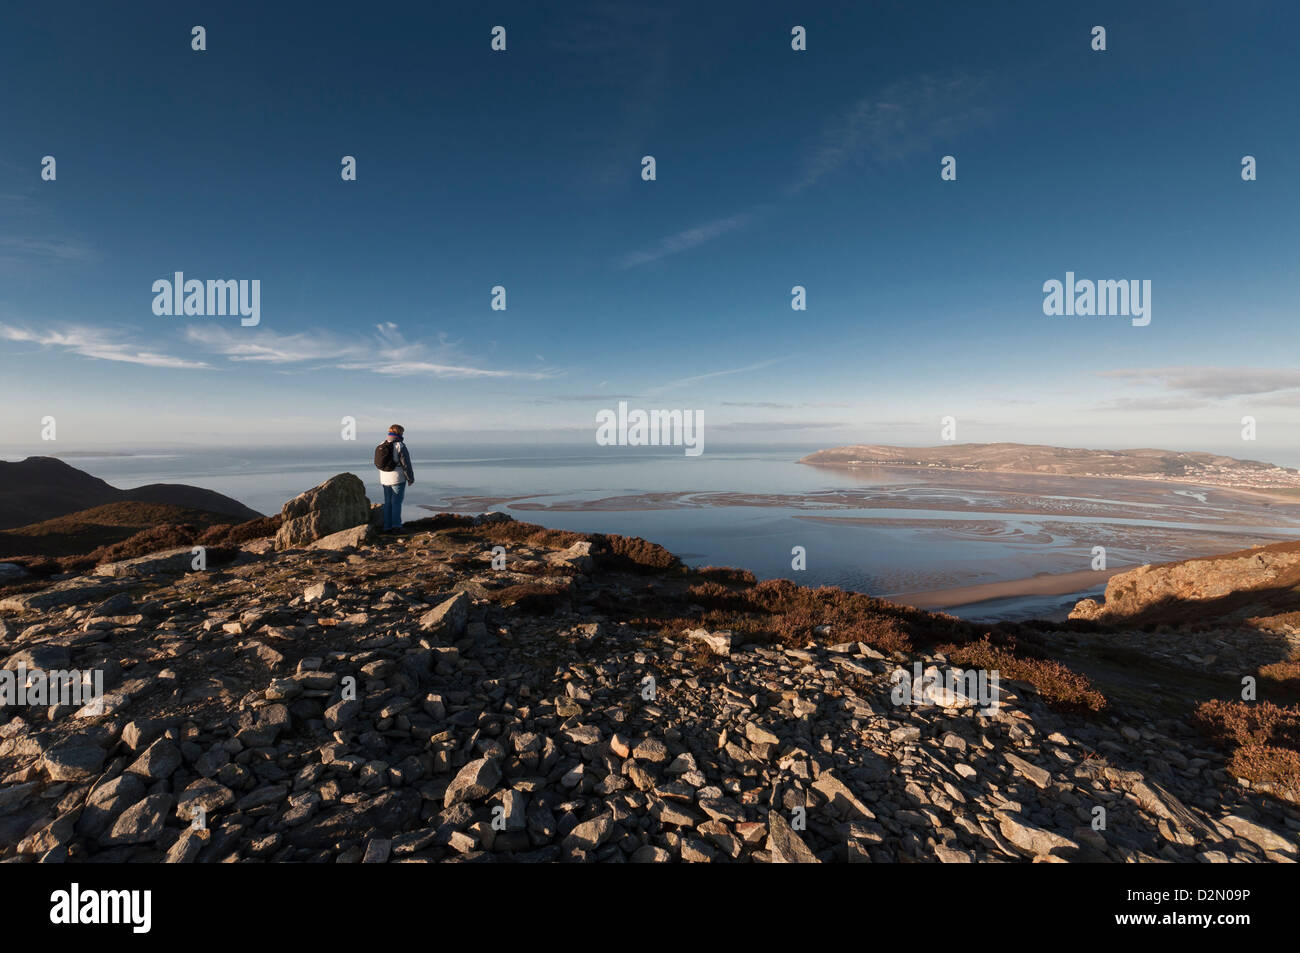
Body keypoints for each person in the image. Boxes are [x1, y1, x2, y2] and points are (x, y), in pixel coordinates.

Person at [375, 424, 414, 533]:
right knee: (396, 503)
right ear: (400, 433)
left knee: (388, 502)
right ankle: (396, 526)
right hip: (397, 478)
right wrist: (410, 478)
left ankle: (387, 527)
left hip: (384, 478)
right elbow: (406, 465)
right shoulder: (400, 445)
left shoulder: (382, 444)